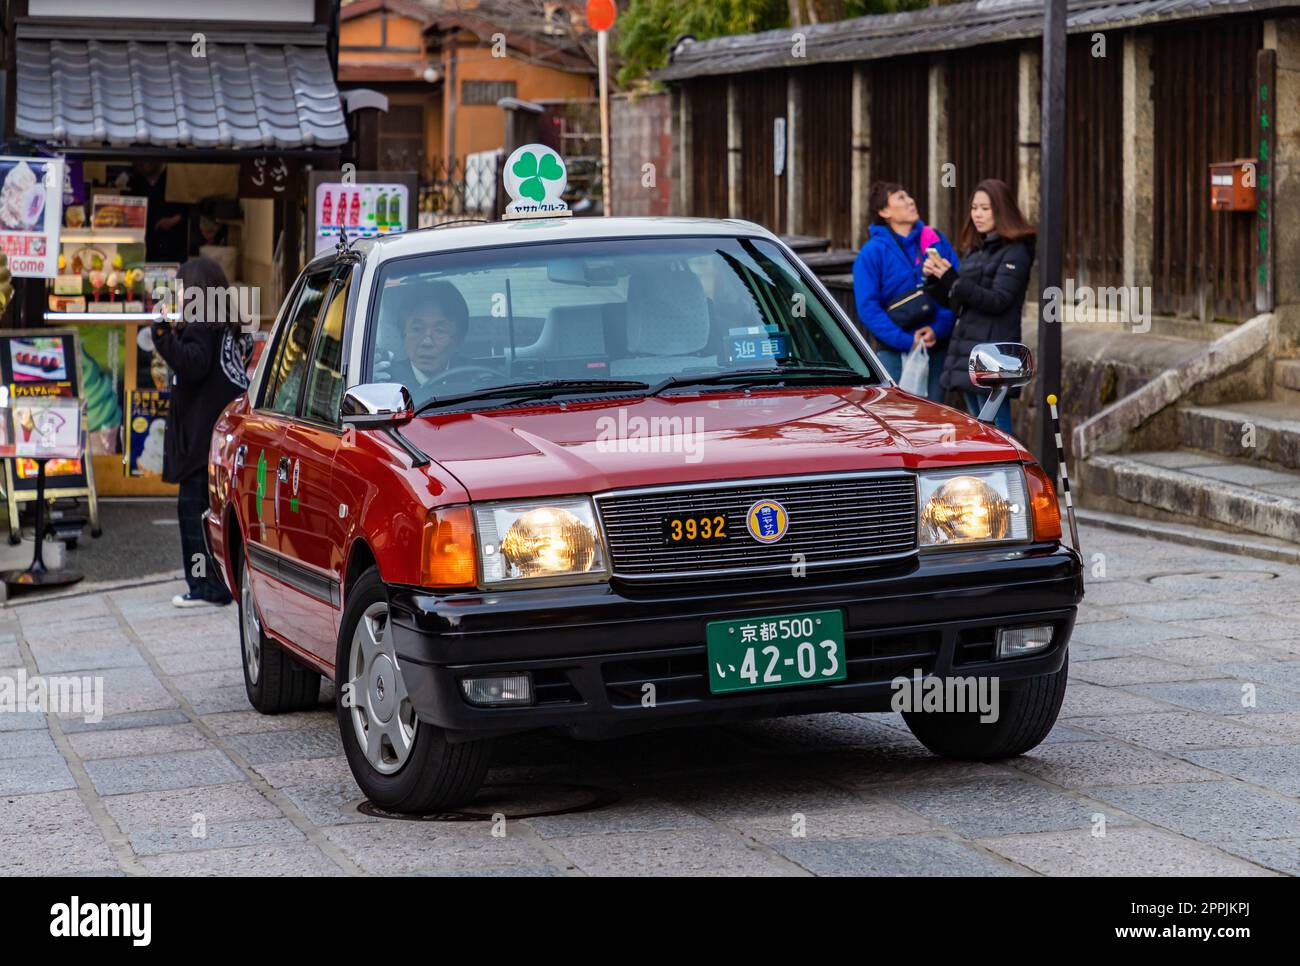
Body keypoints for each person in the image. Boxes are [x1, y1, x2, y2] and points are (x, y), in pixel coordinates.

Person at [151, 257, 253, 607]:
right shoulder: (225, 324)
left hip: (201, 438)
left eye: (180, 287)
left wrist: (161, 334)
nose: (176, 294)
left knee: (192, 513)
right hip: (221, 435)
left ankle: (203, 586)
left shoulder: (200, 325)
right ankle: (218, 583)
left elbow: (193, 365)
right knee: (210, 513)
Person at [923, 178, 1036, 435]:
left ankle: (1009, 474)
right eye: (974, 208)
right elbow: (959, 302)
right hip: (968, 349)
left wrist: (954, 279)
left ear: (1002, 209)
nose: (978, 214)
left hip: (994, 353)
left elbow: (999, 300)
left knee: (998, 431)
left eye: (985, 208)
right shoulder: (976, 250)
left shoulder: (1016, 251)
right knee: (980, 427)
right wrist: (936, 280)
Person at [851, 182, 959, 400]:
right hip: (893, 350)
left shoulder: (935, 240)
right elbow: (868, 307)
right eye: (900, 197)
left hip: (937, 346)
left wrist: (938, 329)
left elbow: (955, 288)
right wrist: (906, 340)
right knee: (897, 415)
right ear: (884, 212)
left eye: (908, 195)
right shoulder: (872, 252)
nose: (910, 201)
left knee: (936, 418)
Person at [378, 280, 470, 397]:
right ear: (403, 334)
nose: (427, 342)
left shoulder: (477, 380)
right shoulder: (387, 382)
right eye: (417, 329)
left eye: (439, 331)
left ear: (458, 339)